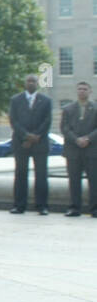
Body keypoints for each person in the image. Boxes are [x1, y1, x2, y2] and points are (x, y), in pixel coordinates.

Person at [9, 74, 53, 214]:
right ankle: (19, 205)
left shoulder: (46, 101)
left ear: (37, 83)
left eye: (33, 81)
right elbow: (13, 121)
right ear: (25, 83)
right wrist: (26, 137)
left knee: (41, 175)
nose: (31, 83)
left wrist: (35, 136)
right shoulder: (16, 100)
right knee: (20, 174)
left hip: (40, 143)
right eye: (28, 81)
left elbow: (47, 121)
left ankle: (42, 206)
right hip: (21, 143)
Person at [62, 81, 97, 216]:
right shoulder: (68, 109)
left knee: (94, 180)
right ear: (76, 91)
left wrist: (88, 138)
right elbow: (64, 128)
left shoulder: (95, 108)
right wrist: (76, 139)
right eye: (80, 89)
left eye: (85, 89)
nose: (82, 91)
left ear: (90, 91)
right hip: (73, 150)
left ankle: (94, 208)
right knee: (74, 180)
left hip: (92, 150)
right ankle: (74, 208)